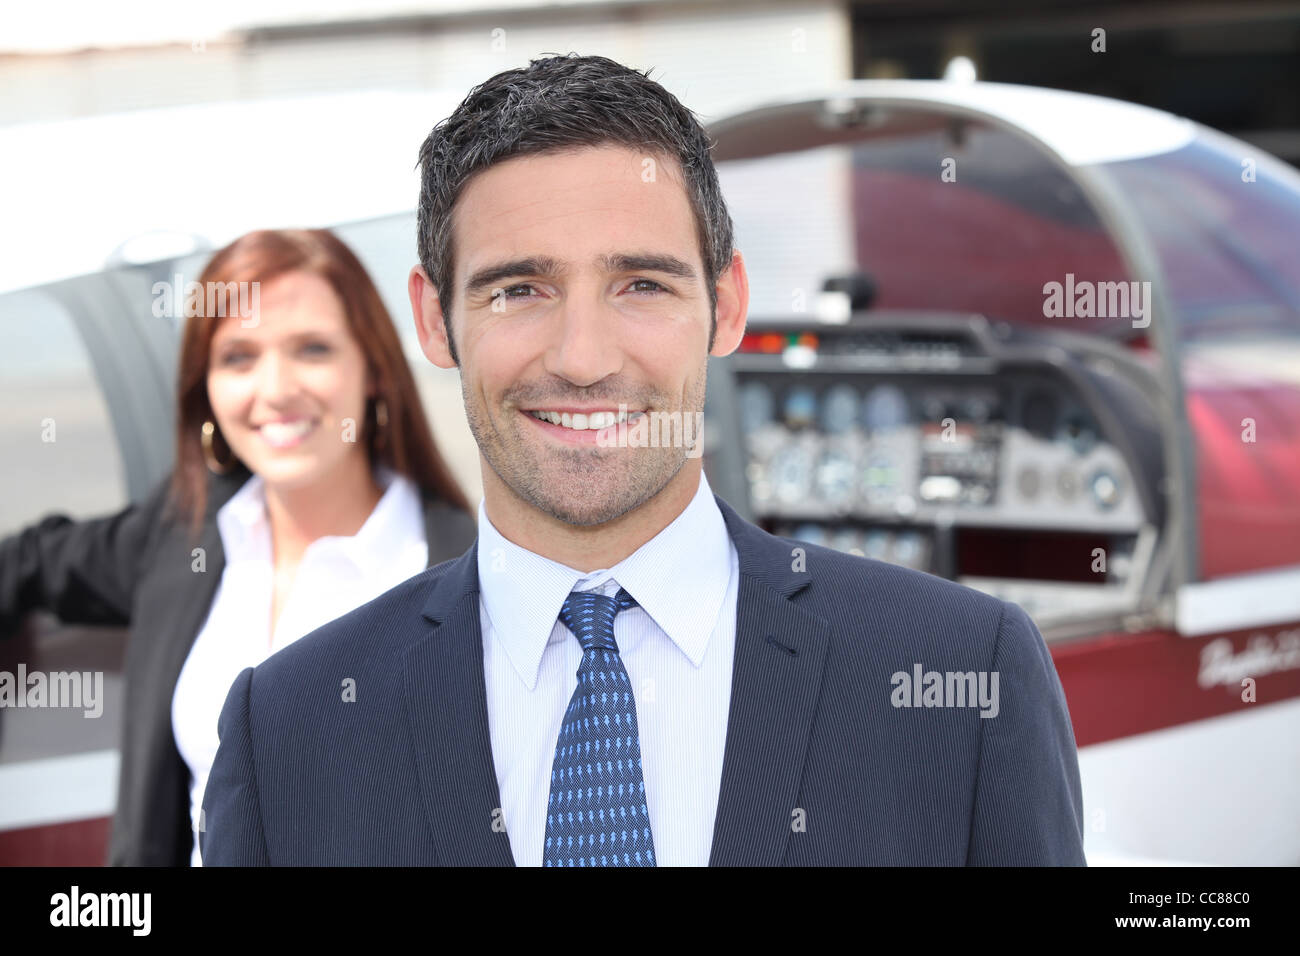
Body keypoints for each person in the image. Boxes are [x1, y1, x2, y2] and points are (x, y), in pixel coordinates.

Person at [201, 55, 1086, 866]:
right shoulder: (286, 731)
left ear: (727, 304)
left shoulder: (968, 676)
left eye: (643, 286)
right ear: (434, 321)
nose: (583, 359)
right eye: (520, 290)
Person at [0, 228, 477, 866]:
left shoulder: (460, 571)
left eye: (311, 349)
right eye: (239, 358)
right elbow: (30, 561)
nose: (275, 389)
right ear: (207, 389)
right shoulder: (182, 535)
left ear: (374, 371)